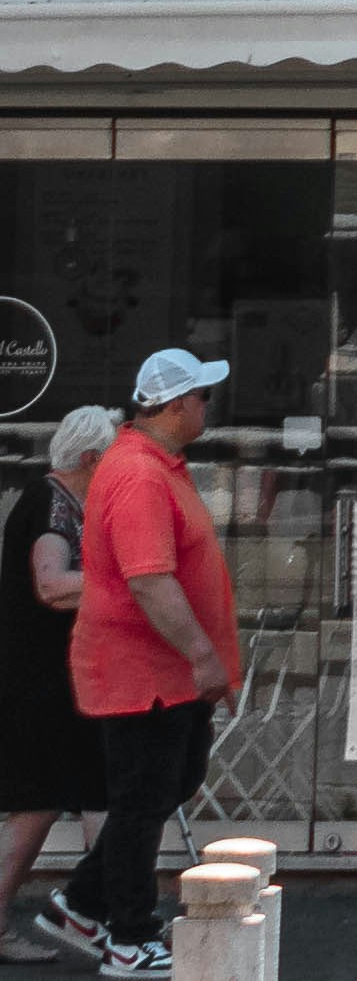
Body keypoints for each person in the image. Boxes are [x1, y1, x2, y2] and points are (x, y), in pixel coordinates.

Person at [68, 353, 235, 981]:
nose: (208, 407)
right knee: (143, 801)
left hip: (158, 671)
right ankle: (128, 937)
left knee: (169, 783)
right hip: (145, 672)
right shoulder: (140, 474)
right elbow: (150, 581)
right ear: (176, 405)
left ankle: (83, 904)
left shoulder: (154, 465)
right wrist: (202, 656)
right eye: (203, 397)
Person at [0, 410, 112, 967]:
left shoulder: (56, 499)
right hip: (42, 681)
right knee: (38, 805)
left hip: (57, 678)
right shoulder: (51, 505)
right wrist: (123, 584)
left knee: (90, 792)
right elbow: (51, 582)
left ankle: (109, 912)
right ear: (92, 459)